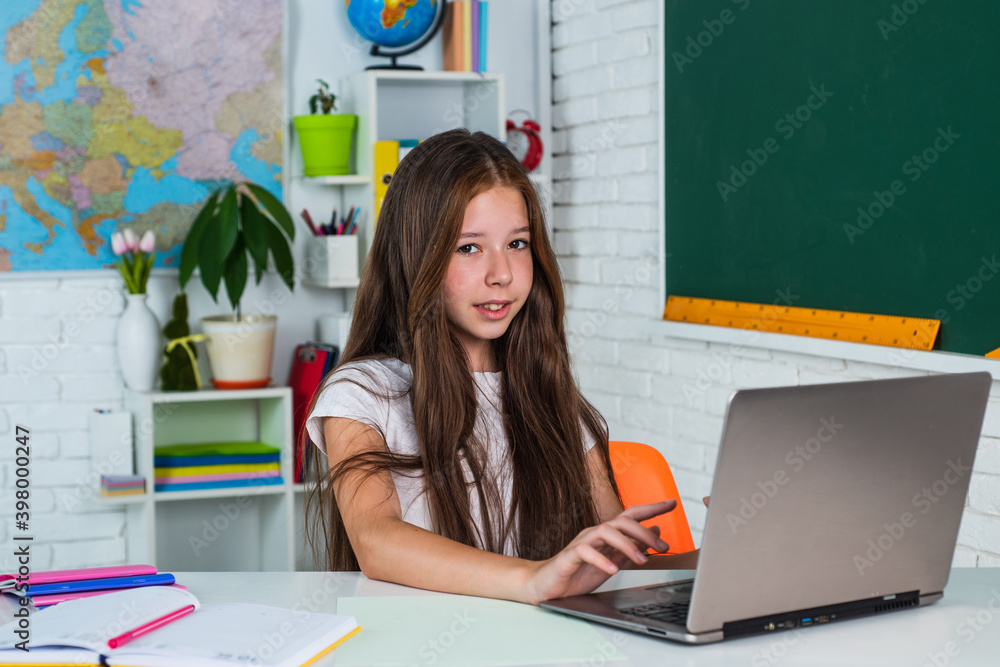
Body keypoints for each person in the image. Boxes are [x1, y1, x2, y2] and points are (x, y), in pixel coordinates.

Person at [304, 128, 695, 606]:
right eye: (469, 247)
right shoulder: (361, 392)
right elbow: (376, 541)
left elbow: (618, 566)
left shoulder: (545, 388)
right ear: (415, 257)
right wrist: (533, 579)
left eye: (517, 243)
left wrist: (728, 558)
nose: (502, 273)